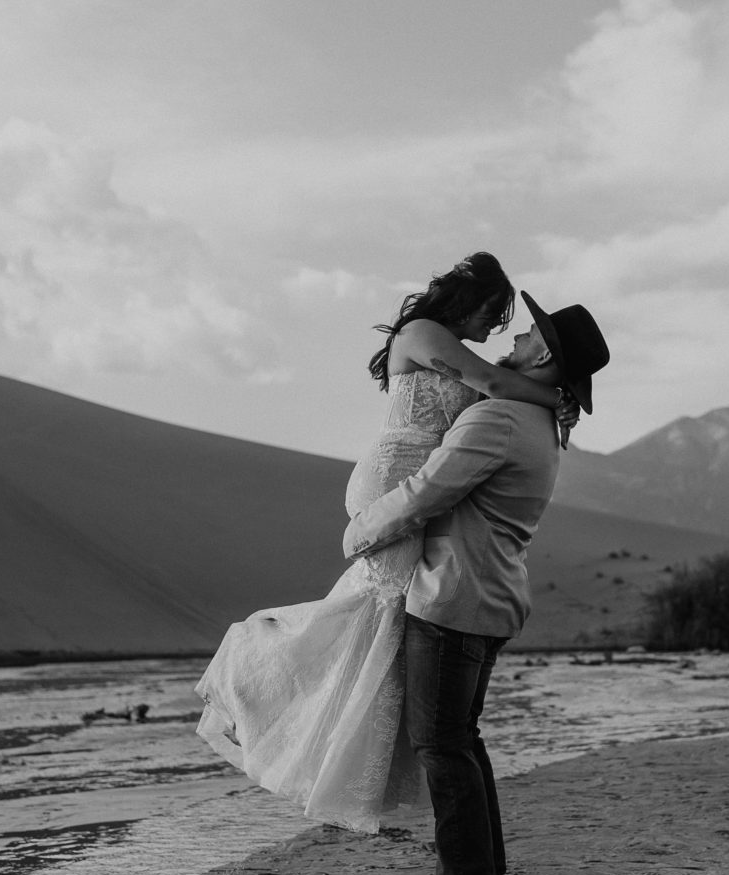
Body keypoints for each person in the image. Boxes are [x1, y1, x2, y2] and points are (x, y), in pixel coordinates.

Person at [194, 253, 580, 833]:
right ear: (468, 301)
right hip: (394, 482)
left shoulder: (478, 377)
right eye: (494, 315)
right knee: (377, 612)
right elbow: (496, 384)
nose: (497, 329)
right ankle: (262, 679)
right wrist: (560, 398)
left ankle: (363, 732)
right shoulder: (423, 332)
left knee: (385, 621)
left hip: (422, 493)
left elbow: (494, 397)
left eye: (510, 325)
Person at [342, 291, 610, 875]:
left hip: (454, 597)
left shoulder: (500, 418)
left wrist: (359, 531)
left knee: (444, 748)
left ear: (543, 357)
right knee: (460, 743)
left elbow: (426, 492)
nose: (514, 338)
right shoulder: (534, 422)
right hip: (485, 596)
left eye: (527, 334)